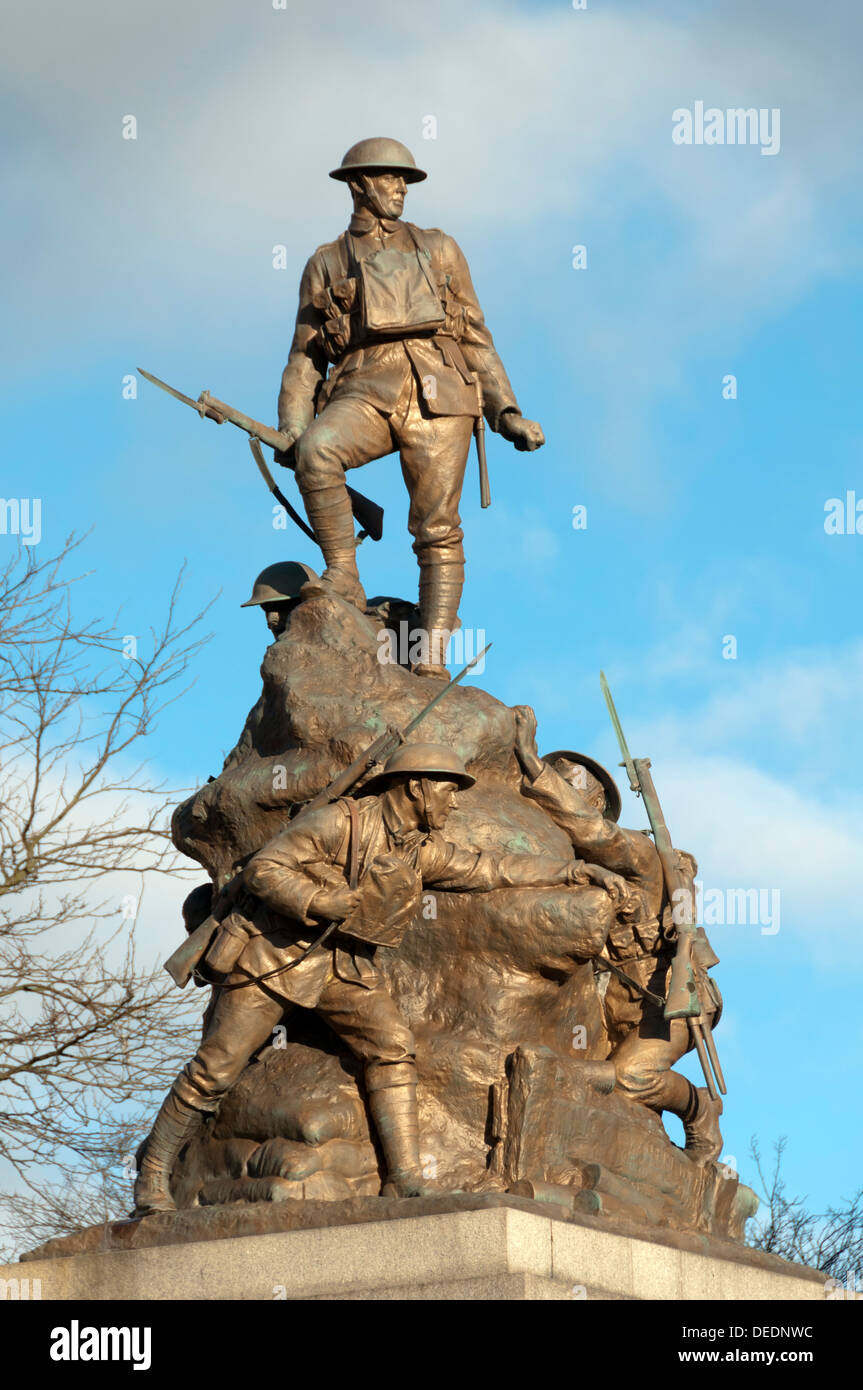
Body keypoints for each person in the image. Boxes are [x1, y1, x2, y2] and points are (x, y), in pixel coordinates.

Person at [134, 743, 623, 1214]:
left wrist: (574, 872)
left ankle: (404, 1177)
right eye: (448, 789)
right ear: (415, 788)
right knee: (215, 1069)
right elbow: (266, 868)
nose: (454, 800)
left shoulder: (420, 849)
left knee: (391, 1046)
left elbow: (488, 868)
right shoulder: (339, 820)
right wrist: (316, 901)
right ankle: (154, 1173)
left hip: (345, 967)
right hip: (274, 958)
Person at [276, 137, 545, 677]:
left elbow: (476, 335)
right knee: (318, 452)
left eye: (405, 180)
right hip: (362, 388)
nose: (401, 188)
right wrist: (293, 427)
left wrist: (506, 411)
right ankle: (344, 575)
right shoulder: (325, 263)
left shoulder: (440, 248)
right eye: (390, 178)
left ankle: (432, 660)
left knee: (437, 528)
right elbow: (305, 358)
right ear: (358, 185)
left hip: (441, 391)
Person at [513, 706, 723, 1165]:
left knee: (629, 1078)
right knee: (592, 1083)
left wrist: (531, 763)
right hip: (606, 1004)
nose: (546, 799)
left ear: (592, 803)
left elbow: (593, 833)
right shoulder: (567, 870)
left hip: (665, 998)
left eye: (562, 786)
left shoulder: (639, 854)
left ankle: (700, 1107)